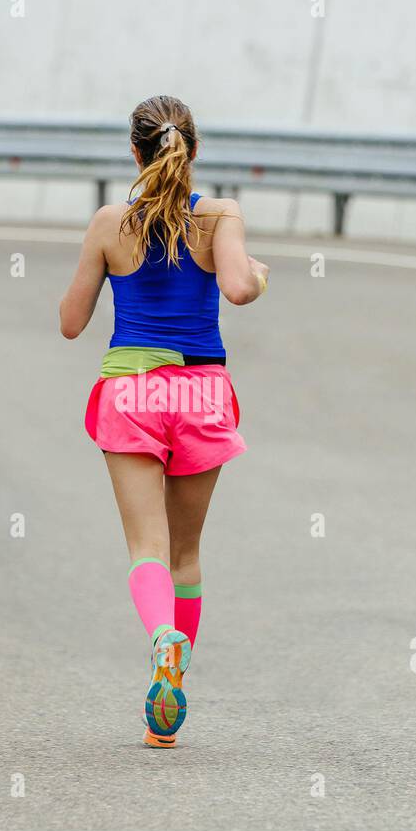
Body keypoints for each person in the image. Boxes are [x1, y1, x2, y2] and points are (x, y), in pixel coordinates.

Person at [59, 95, 268, 748]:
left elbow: (70, 322)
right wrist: (258, 274)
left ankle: (161, 639)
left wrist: (103, 257)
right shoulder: (219, 215)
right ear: (194, 151)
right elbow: (237, 287)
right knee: (186, 552)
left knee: (146, 547)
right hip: (201, 391)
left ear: (135, 152)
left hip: (132, 391)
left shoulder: (108, 222)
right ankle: (169, 708)